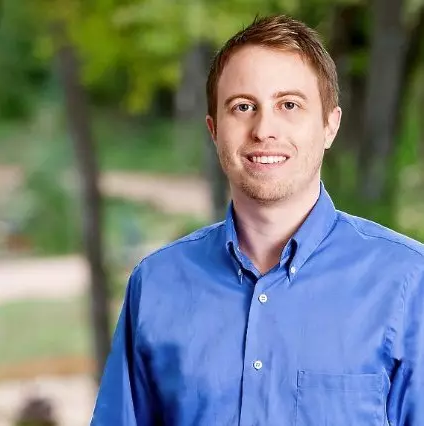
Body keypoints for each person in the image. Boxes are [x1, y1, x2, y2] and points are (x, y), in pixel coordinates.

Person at [90, 15, 424, 426]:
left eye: (289, 105)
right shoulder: (156, 283)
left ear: (330, 126)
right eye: (243, 107)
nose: (264, 129)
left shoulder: (409, 282)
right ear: (214, 129)